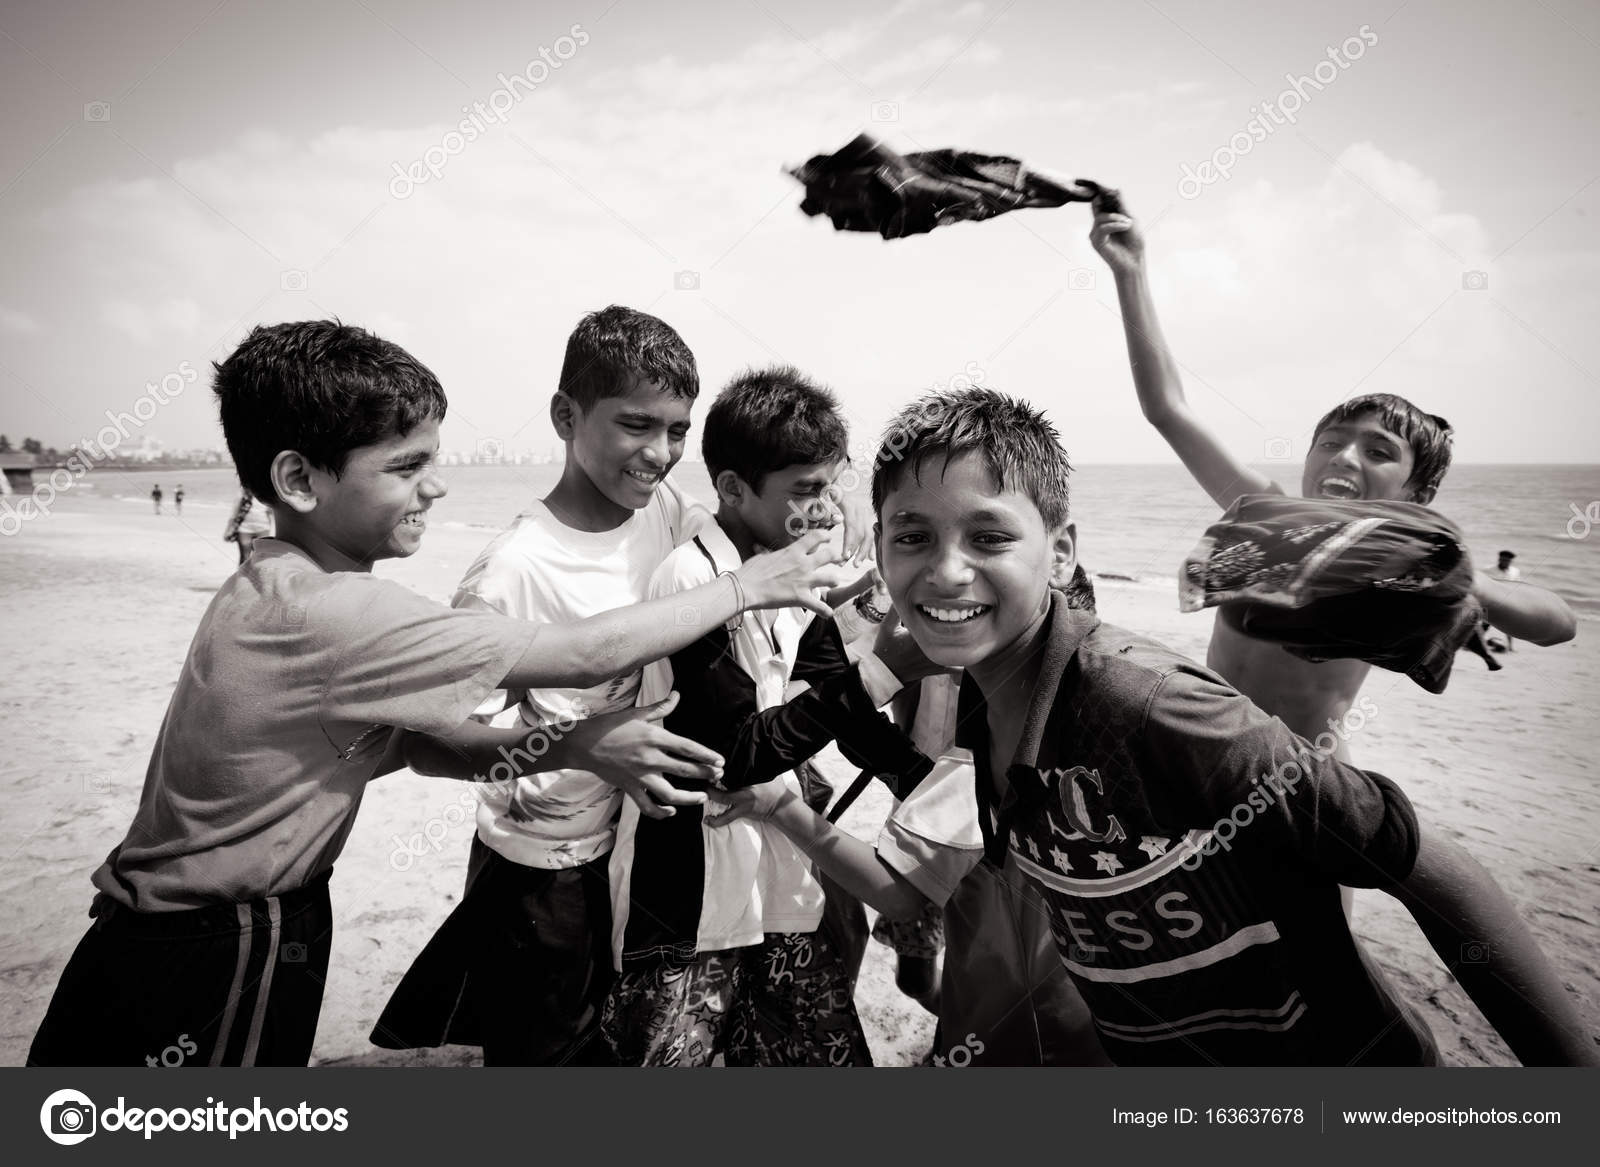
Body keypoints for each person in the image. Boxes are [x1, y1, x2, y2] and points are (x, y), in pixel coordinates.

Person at [27, 319, 846, 1068]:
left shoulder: (276, 581)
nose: (437, 487)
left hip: (208, 923)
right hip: (223, 934)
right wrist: (744, 589)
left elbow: (402, 742)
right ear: (298, 479)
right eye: (406, 466)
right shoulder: (344, 613)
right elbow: (578, 654)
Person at [714, 387, 1597, 1066]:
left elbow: (1437, 867)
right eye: (912, 537)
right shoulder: (986, 711)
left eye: (989, 537)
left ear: (1061, 552)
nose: (946, 572)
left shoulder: (1150, 706)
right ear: (877, 547)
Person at [372, 312, 872, 1067]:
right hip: (549, 866)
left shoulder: (665, 513)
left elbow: (759, 537)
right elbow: (430, 745)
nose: (660, 454)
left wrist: (842, 514)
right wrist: (577, 745)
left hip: (644, 855)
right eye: (636, 425)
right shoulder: (514, 569)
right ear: (565, 417)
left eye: (677, 431)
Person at [1089, 203, 1575, 764]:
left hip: (1307, 777)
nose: (1343, 458)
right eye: (1330, 442)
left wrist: (1465, 582)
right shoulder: (1266, 513)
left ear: (1417, 496)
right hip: (1210, 755)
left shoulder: (1403, 566)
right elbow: (1168, 410)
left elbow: (1558, 624)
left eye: (1378, 452)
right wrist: (1130, 270)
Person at [601, 366, 939, 1066]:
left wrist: (928, 786)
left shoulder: (794, 573)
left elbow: (844, 713)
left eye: (831, 486)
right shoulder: (693, 580)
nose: (825, 509)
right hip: (689, 899)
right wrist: (883, 672)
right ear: (733, 488)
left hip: (779, 890)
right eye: (805, 490)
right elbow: (736, 755)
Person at [222, 489, 274, 563]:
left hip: (263, 528)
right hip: (245, 529)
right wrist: (229, 529)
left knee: (261, 558)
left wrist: (272, 529)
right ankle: (244, 571)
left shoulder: (265, 492)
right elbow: (234, 512)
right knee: (245, 558)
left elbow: (271, 512)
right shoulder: (243, 492)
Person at [1487, 551, 1523, 651]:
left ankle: (1510, 646)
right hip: (1492, 600)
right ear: (1499, 559)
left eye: (1508, 560)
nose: (1505, 562)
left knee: (1509, 625)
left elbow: (1518, 586)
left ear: (1511, 561)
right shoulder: (1489, 570)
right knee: (1484, 623)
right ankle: (1475, 643)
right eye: (1503, 560)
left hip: (1508, 602)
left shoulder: (1515, 571)